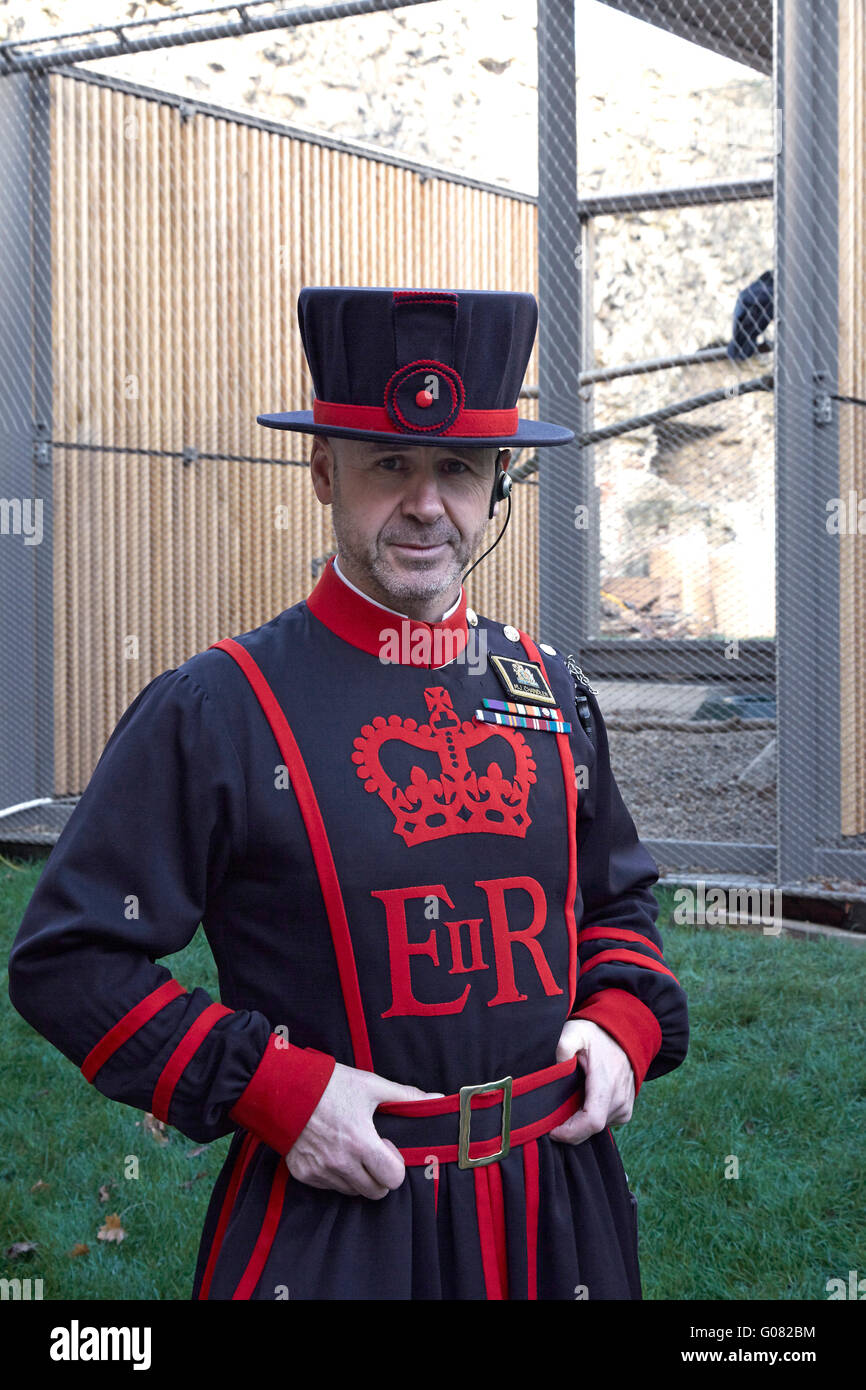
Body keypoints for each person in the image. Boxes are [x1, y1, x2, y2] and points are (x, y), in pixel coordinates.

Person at [8, 285, 688, 1300]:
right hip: (338, 1221)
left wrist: (620, 1021)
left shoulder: (548, 688)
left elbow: (616, 899)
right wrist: (277, 1088)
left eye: (457, 467)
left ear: (499, 484)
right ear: (324, 470)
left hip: (557, 1211)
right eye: (388, 464)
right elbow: (69, 957)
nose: (425, 503)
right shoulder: (218, 706)